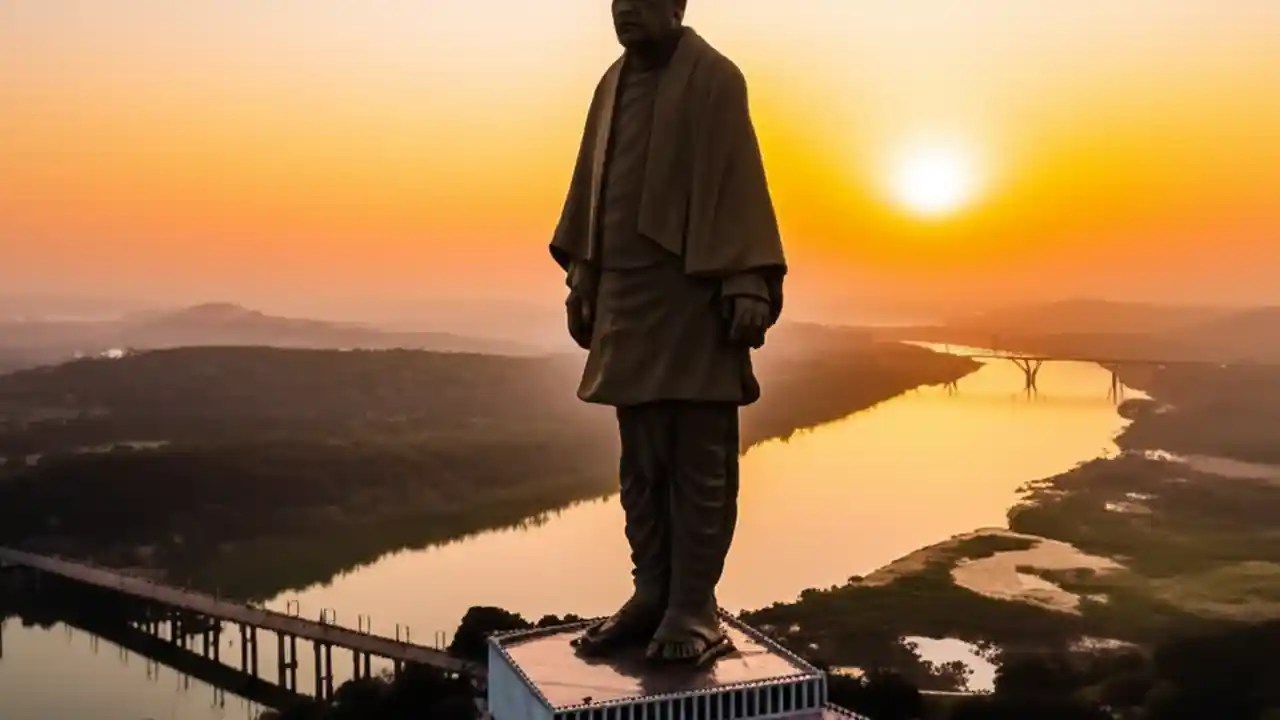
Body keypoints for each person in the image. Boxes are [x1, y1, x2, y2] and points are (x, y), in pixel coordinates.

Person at [549, 0, 787, 666]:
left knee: (698, 459)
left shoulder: (714, 78)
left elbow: (739, 182)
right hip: (626, 295)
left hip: (692, 294)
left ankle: (694, 604)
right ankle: (651, 591)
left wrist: (746, 280)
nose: (624, 9)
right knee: (642, 461)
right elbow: (592, 193)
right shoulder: (611, 82)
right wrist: (583, 279)